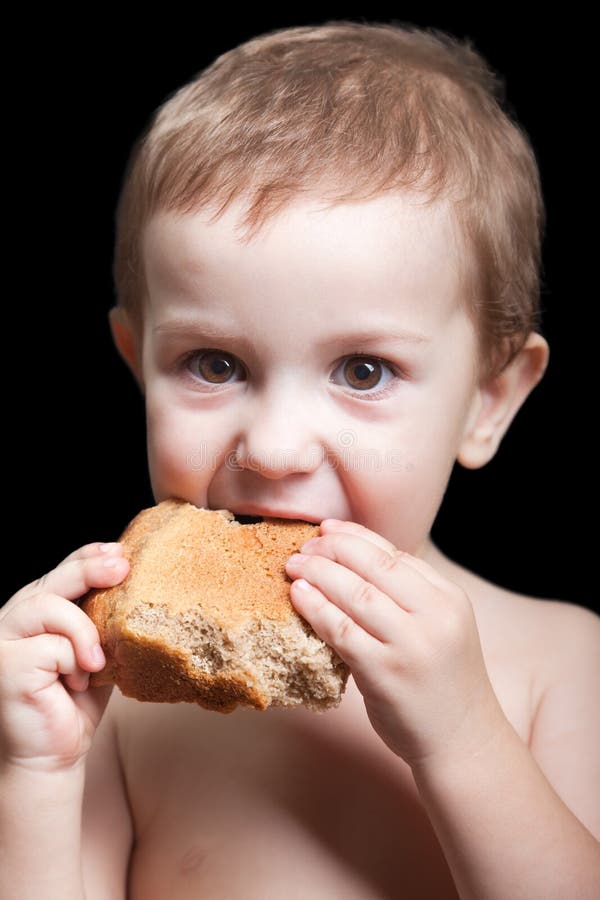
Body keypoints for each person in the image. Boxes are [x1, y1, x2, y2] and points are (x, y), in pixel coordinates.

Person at [1, 19, 599, 900]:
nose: (275, 450)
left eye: (364, 371)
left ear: (488, 400)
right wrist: (34, 775)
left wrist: (465, 736)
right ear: (137, 366)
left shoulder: (564, 662)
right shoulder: (116, 699)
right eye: (214, 365)